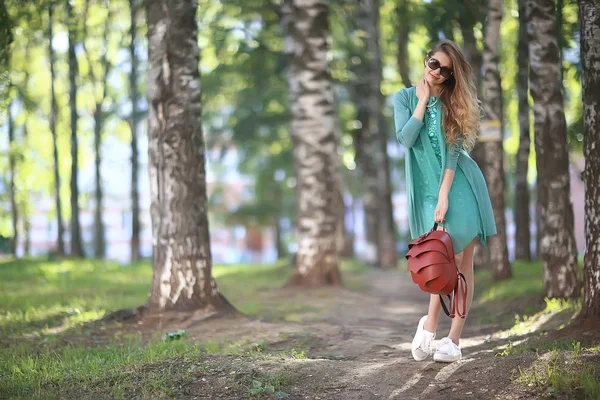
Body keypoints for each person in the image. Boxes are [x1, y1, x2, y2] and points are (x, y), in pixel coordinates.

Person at [393, 40, 497, 363]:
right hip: (423, 191)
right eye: (433, 63)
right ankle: (429, 326)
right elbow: (405, 139)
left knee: (461, 261)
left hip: (459, 184)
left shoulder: (453, 105)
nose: (435, 72)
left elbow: (453, 154)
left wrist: (444, 195)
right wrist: (422, 102)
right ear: (427, 60)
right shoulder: (404, 98)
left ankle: (451, 340)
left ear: (451, 76)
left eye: (444, 70)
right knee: (436, 258)